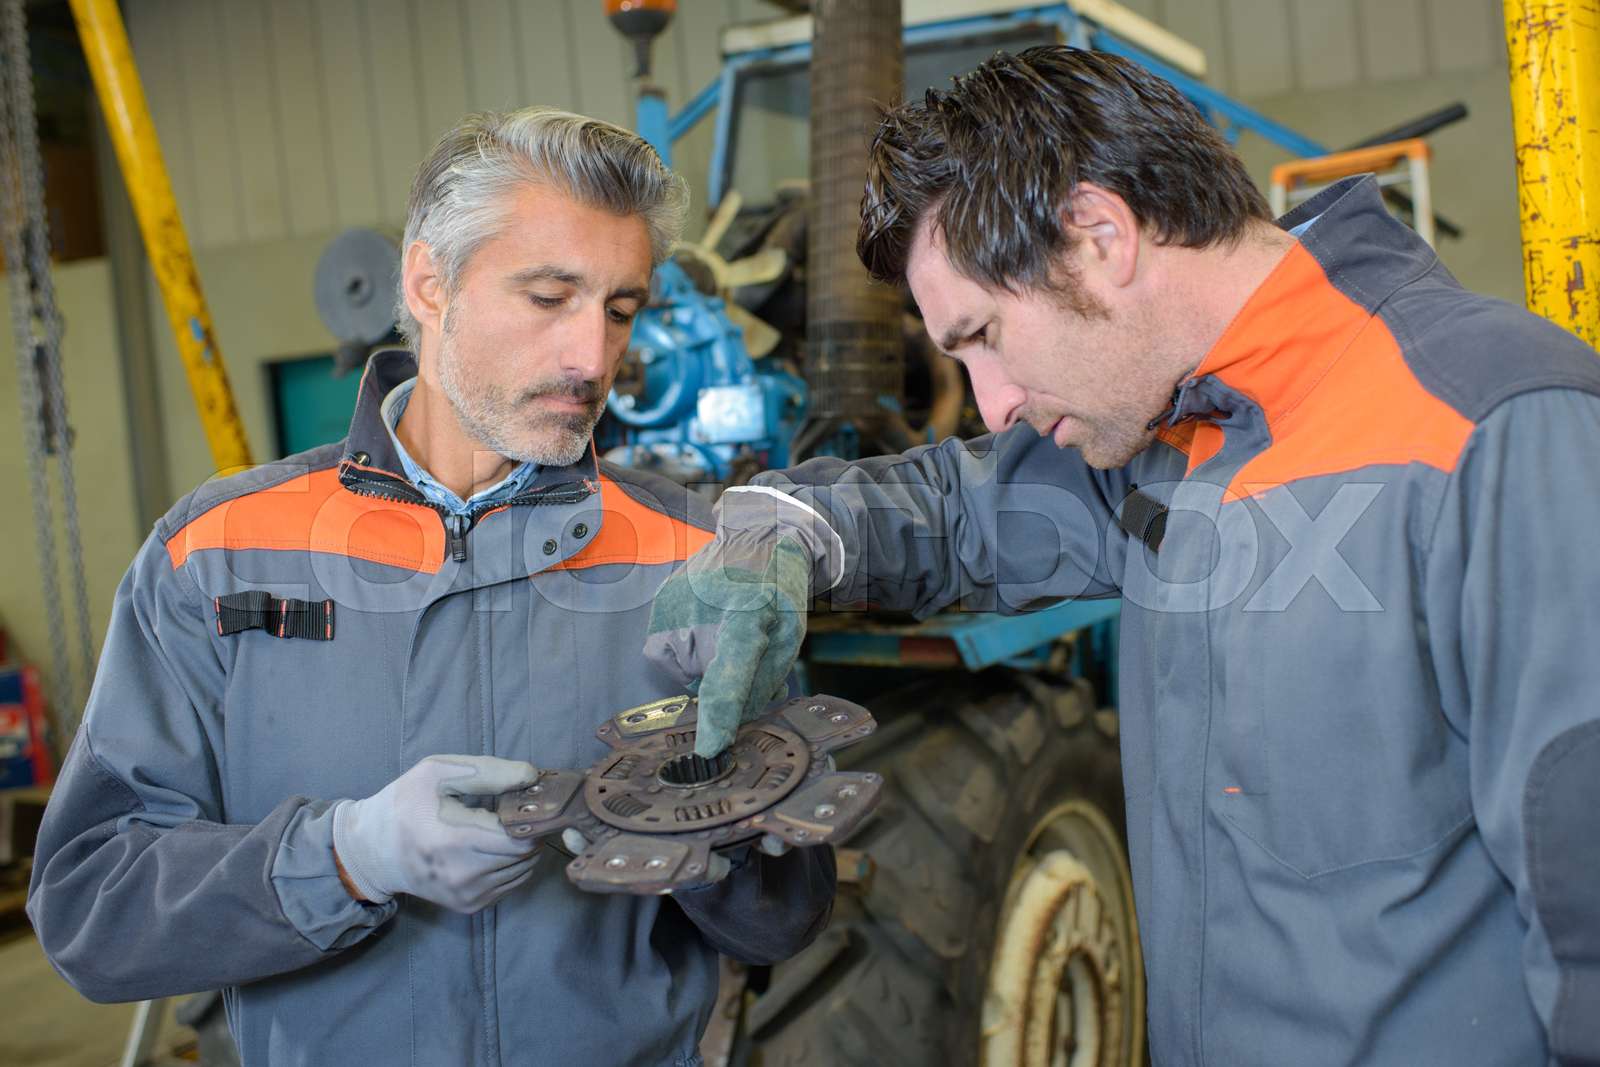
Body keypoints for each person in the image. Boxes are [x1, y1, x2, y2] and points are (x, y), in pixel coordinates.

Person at [645, 46, 1600, 1065]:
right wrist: (778, 531)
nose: (993, 402)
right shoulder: (1159, 443)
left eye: (985, 336)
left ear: (1100, 236)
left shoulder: (1496, 427)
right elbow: (950, 504)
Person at [28, 107, 835, 1067]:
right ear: (427, 280)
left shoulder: (695, 557)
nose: (593, 358)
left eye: (620, 309)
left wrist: (721, 831)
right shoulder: (221, 553)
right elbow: (91, 905)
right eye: (548, 297)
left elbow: (784, 918)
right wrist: (345, 857)